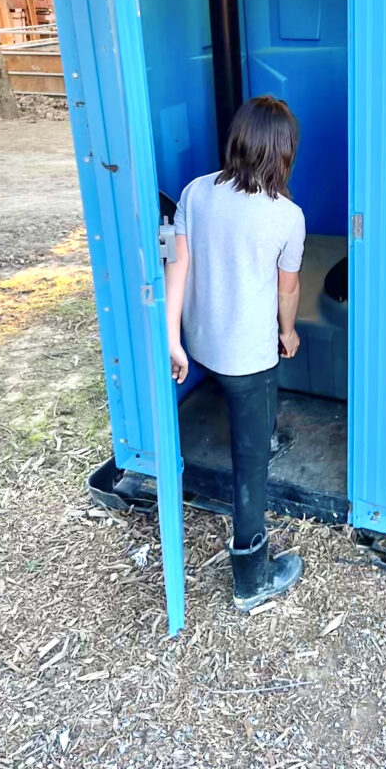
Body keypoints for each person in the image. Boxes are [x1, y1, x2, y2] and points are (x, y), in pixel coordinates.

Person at [165, 96, 306, 612]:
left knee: (252, 411)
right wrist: (286, 333)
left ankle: (264, 433)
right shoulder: (288, 216)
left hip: (202, 344)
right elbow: (286, 292)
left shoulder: (196, 192)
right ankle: (252, 574)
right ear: (283, 152)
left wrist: (172, 339)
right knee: (249, 466)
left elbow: (174, 268)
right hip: (248, 358)